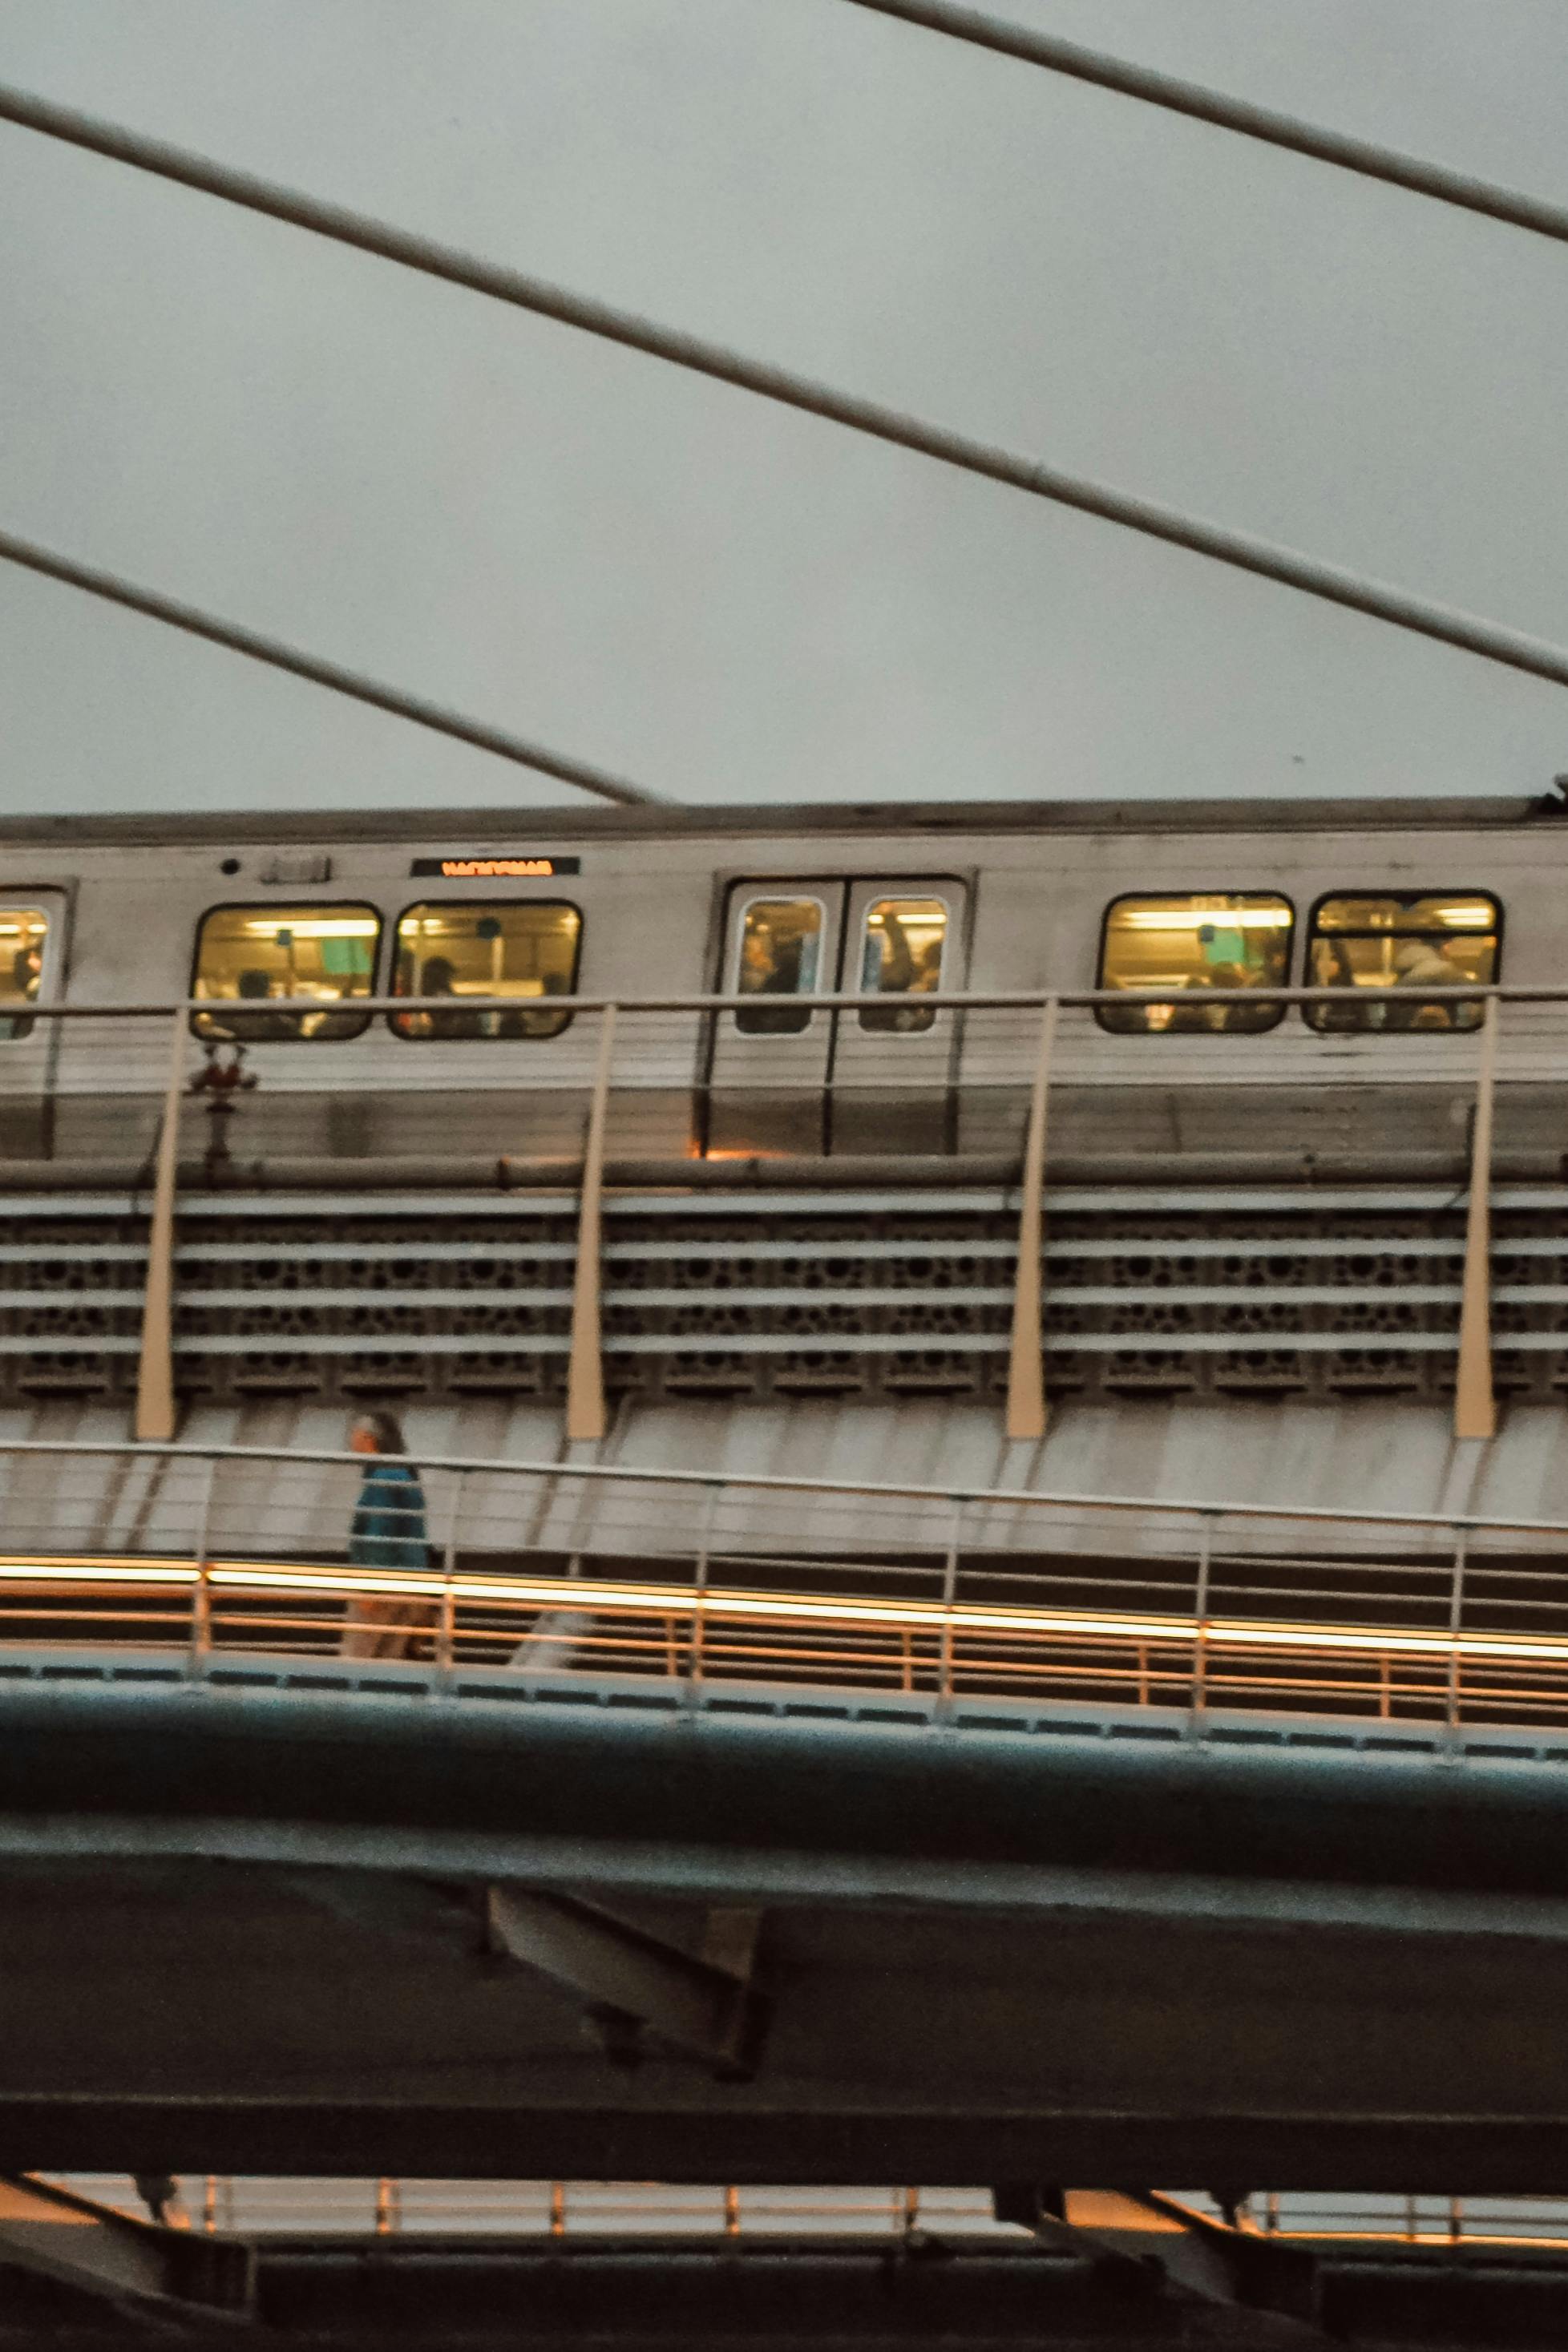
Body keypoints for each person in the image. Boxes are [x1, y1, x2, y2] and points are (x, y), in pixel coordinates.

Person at [340, 1409, 436, 1659]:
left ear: (368, 1439)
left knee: (358, 1658)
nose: (351, 1441)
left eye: (355, 1435)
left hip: (385, 1585)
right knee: (390, 1660)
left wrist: (370, 1588)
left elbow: (379, 1534)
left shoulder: (382, 1477)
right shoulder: (404, 1474)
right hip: (410, 1581)